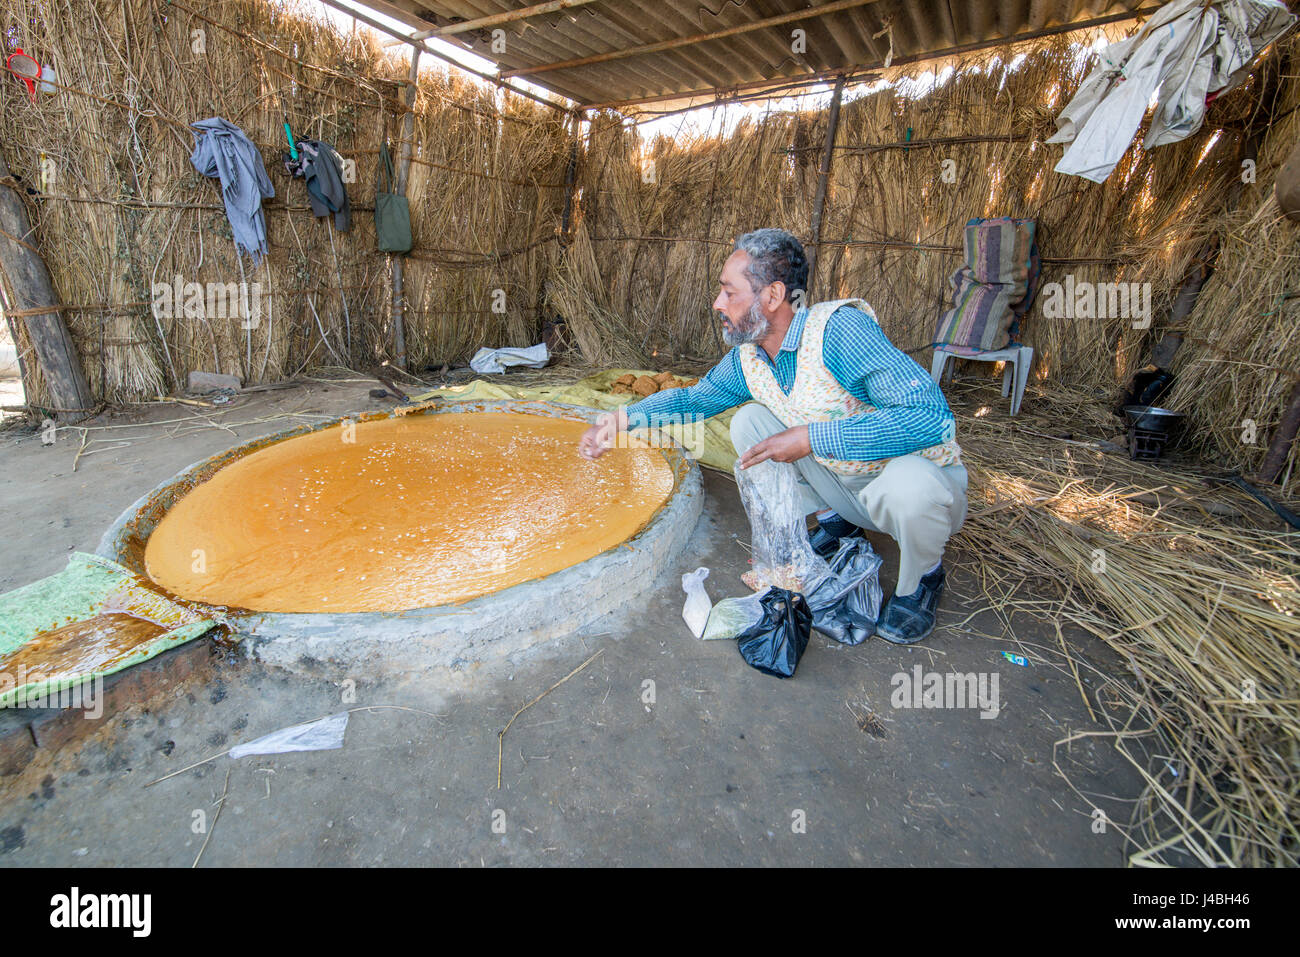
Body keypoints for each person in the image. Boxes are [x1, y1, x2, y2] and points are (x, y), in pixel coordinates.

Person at [578, 228, 968, 644]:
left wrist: (811, 438)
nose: (717, 304)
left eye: (729, 292)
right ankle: (839, 526)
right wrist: (620, 420)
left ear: (773, 295)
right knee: (750, 421)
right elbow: (698, 398)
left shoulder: (839, 333)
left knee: (909, 485)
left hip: (912, 491)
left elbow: (930, 418)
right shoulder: (751, 355)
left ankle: (922, 579)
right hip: (844, 487)